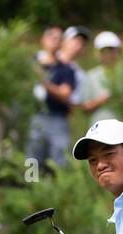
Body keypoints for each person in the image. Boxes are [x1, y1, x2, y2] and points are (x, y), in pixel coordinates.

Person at [26, 28, 86, 168]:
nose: (53, 40)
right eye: (50, 36)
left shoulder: (66, 69)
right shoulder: (32, 62)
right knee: (33, 156)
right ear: (42, 39)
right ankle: (30, 186)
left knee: (60, 156)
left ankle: (58, 188)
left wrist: (44, 82)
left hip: (57, 118)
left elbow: (65, 93)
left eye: (58, 38)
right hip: (34, 115)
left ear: (62, 43)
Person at [80, 31, 121, 125]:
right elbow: (85, 108)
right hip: (99, 130)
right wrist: (102, 99)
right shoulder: (91, 75)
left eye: (111, 50)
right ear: (98, 53)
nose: (109, 54)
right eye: (105, 51)